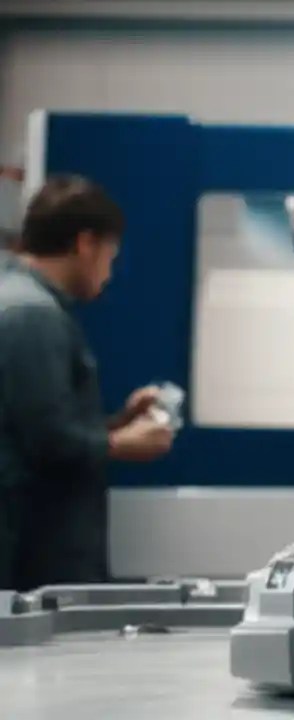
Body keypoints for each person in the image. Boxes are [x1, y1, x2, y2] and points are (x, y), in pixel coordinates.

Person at [0, 175, 174, 592]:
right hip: (33, 560)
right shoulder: (31, 314)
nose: (109, 273)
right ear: (85, 244)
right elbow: (49, 442)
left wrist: (119, 422)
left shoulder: (26, 304)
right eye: (110, 257)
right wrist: (125, 443)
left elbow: (36, 425)